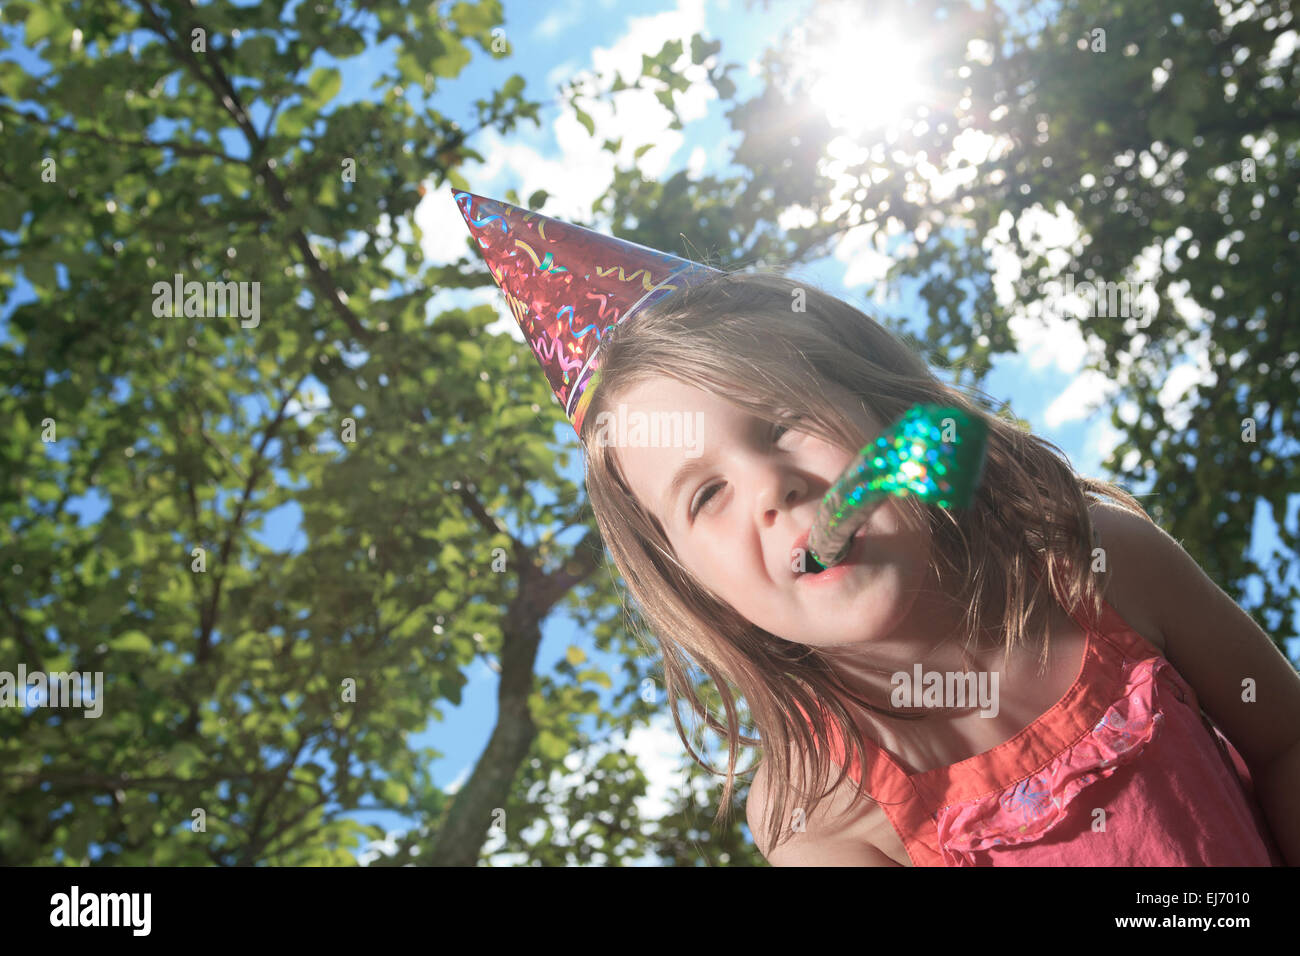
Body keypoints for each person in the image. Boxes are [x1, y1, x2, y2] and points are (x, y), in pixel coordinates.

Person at [455, 191, 1298, 867]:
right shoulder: (815, 814)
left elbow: (1286, 741)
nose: (770, 490)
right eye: (705, 494)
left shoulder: (1098, 565)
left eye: (782, 423)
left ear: (885, 411)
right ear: (691, 583)